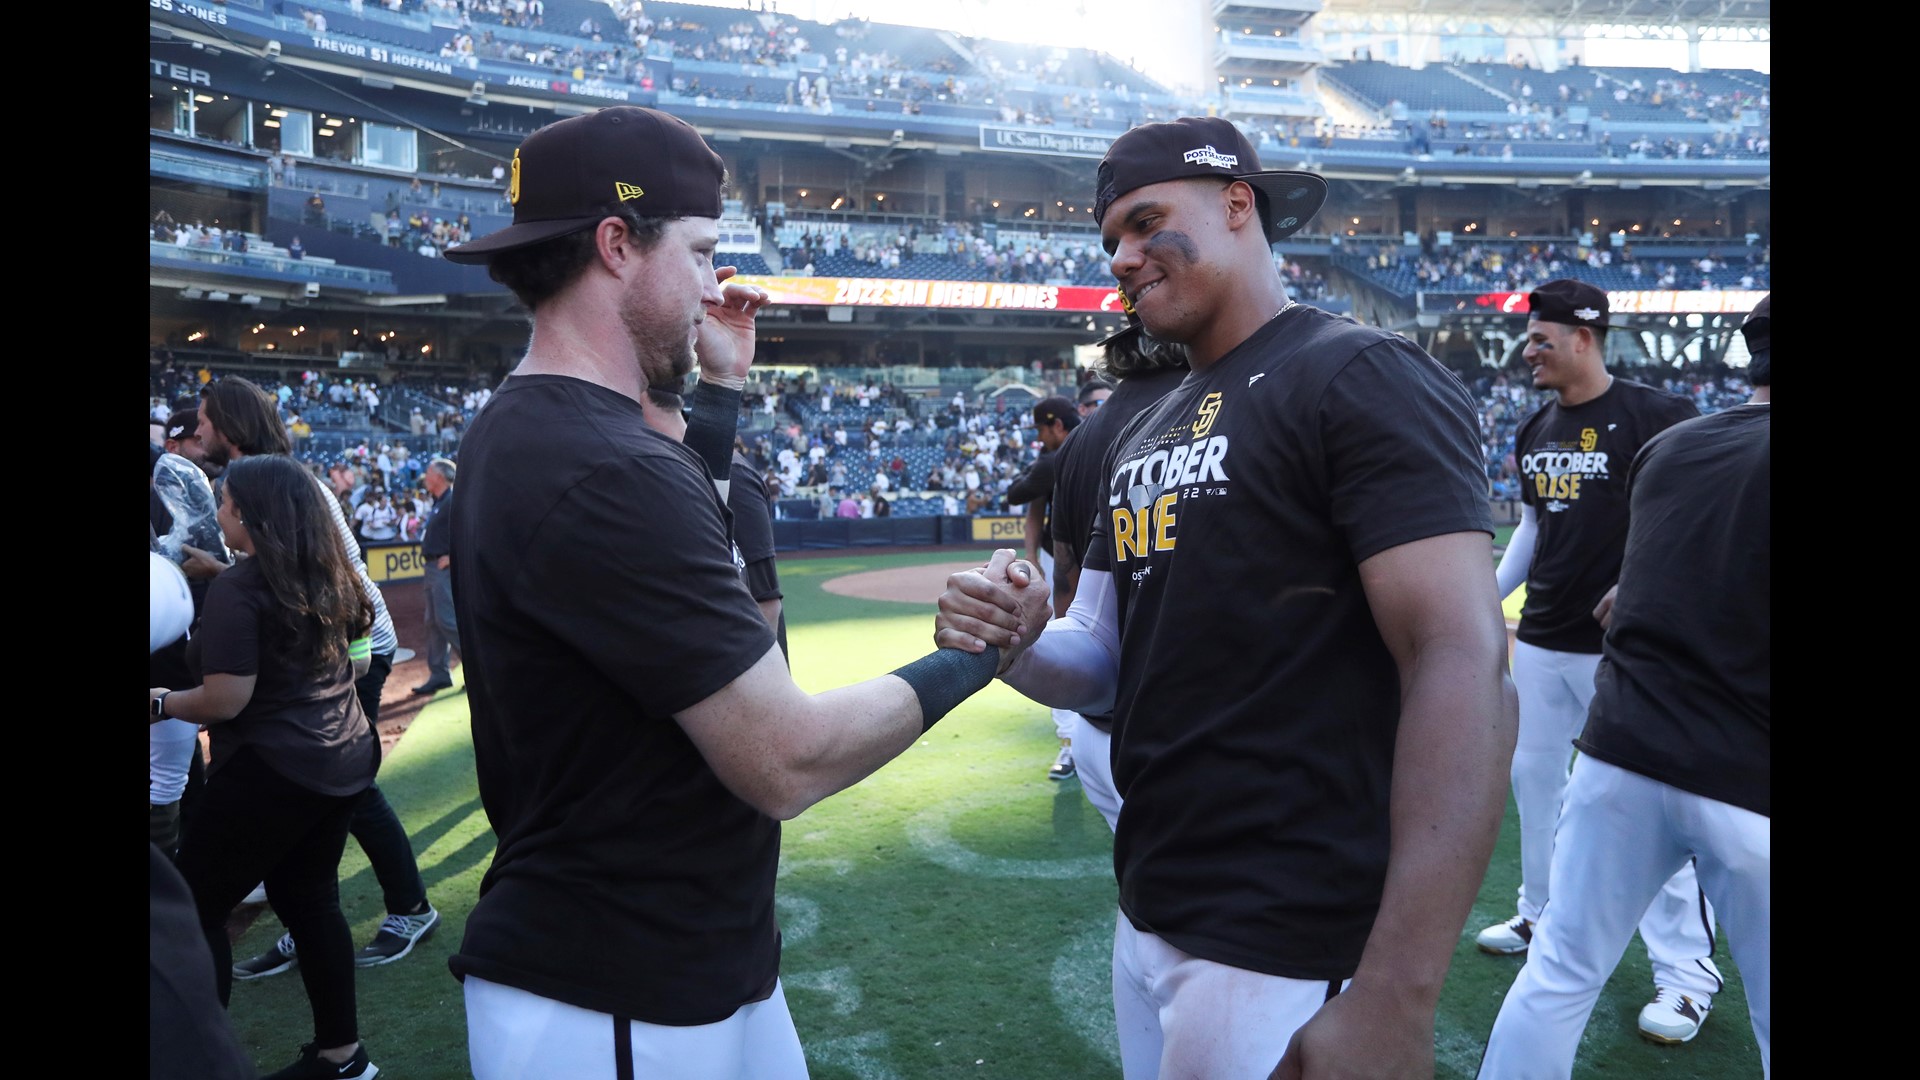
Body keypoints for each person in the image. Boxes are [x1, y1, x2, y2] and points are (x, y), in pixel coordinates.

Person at [935, 115, 1516, 1078]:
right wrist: (1018, 643)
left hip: (1290, 934)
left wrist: (1397, 996)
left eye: (1147, 221)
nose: (1122, 257)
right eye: (1111, 238)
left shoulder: (1357, 373)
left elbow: (1465, 663)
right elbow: (1106, 660)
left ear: (1239, 204)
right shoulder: (1145, 426)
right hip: (1155, 901)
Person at [438, 105, 1012, 1078]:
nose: (717, 285)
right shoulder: (604, 467)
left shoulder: (540, 429)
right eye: (703, 253)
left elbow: (669, 546)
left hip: (683, 963)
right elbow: (786, 759)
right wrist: (983, 653)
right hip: (620, 995)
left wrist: (720, 396)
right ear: (618, 244)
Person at [1479, 295, 1770, 1077]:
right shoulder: (1540, 428)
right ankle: (1537, 912)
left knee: (1567, 962)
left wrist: (1634, 589)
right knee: (1537, 789)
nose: (1529, 353)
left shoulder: (1667, 429)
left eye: (1541, 339)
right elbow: (1548, 535)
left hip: (1626, 704)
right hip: (1719, 742)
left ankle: (1682, 979)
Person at [191, 379, 442, 984]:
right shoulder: (270, 473)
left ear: (227, 423)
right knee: (321, 787)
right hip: (334, 633)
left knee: (341, 784)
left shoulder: (273, 479)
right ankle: (307, 919)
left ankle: (409, 908)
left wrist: (215, 570)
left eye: (203, 419)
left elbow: (306, 575)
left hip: (353, 639)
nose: (197, 431)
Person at [152, 454, 382, 1080]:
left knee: (194, 906)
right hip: (343, 757)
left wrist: (159, 703)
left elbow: (226, 699)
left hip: (274, 771)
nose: (218, 511)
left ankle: (197, 1062)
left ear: (251, 516)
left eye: (225, 503)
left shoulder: (240, 590)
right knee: (310, 901)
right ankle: (343, 1058)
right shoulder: (326, 571)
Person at [1045, 293, 1189, 832]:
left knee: (1144, 903)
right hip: (1176, 730)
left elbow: (1069, 586)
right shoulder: (1203, 408)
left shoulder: (1080, 438)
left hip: (1099, 723)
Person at [1005, 395, 1081, 781]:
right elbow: (1034, 506)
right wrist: (1032, 555)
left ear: (1055, 426)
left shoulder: (1070, 451)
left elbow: (1015, 491)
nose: (1039, 438)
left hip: (1100, 558)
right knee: (1059, 640)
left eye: (1040, 430)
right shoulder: (1052, 460)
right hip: (1060, 558)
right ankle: (1069, 745)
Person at [412, 458, 462, 695]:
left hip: (443, 568)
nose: (425, 475)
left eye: (429, 472)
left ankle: (477, 671)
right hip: (432, 568)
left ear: (440, 476)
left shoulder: (453, 500)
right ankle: (440, 674)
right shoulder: (440, 502)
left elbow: (468, 529)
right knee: (432, 621)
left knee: (446, 620)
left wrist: (453, 556)